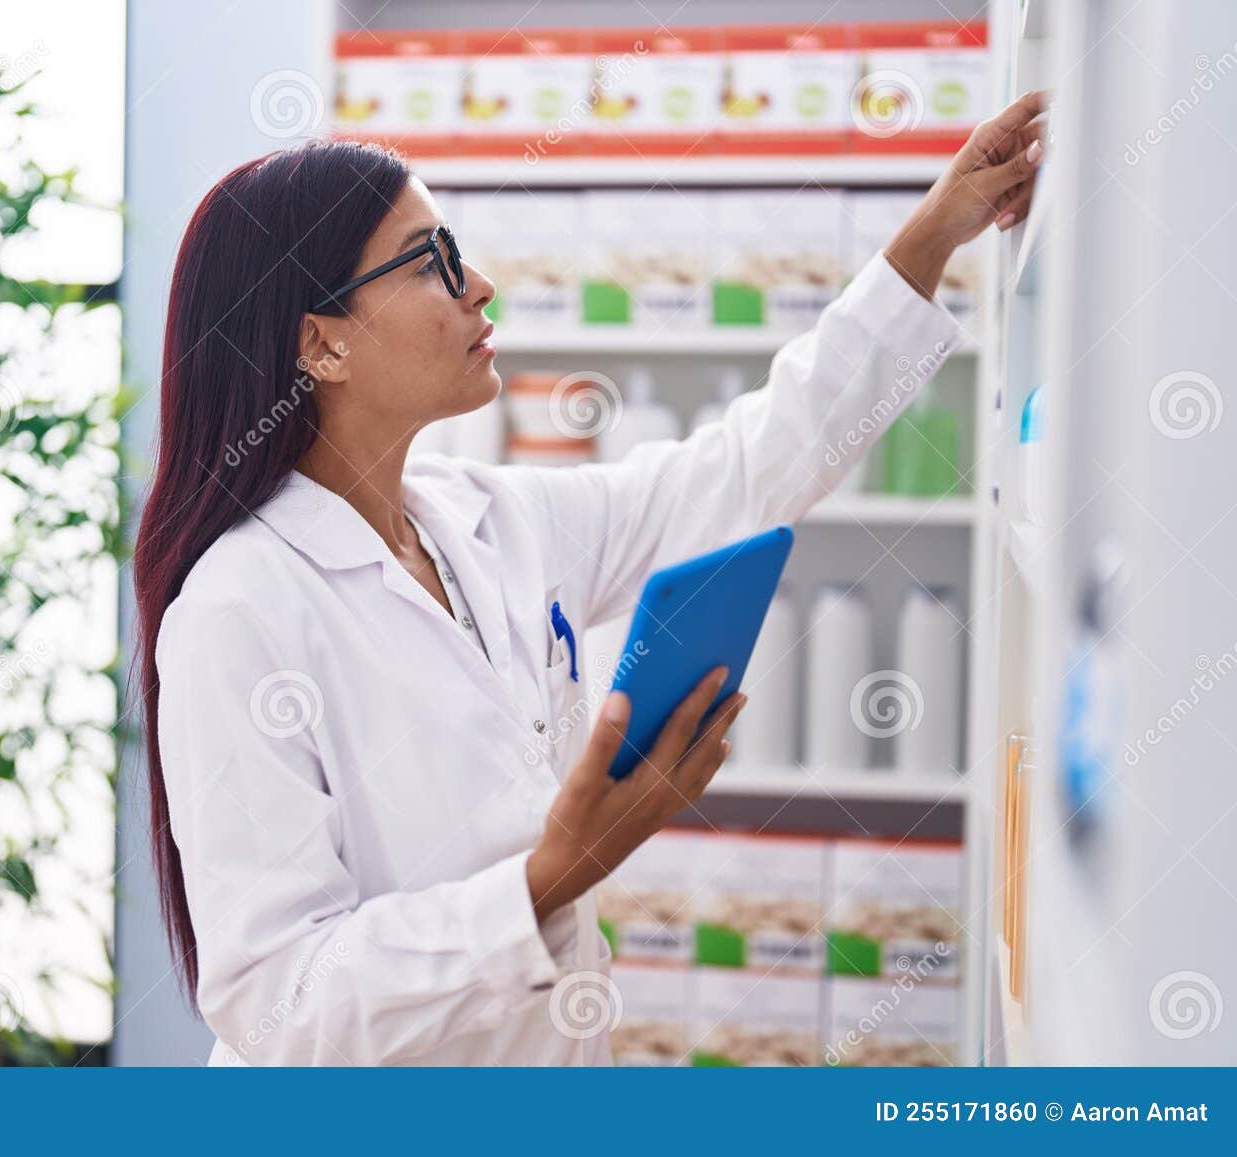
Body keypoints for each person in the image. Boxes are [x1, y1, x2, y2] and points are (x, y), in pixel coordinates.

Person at [133, 91, 1047, 1066]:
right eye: (432, 262)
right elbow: (278, 1003)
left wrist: (930, 236)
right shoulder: (239, 611)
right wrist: (546, 876)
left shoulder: (486, 521)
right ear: (323, 342)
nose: (478, 285)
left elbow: (741, 471)